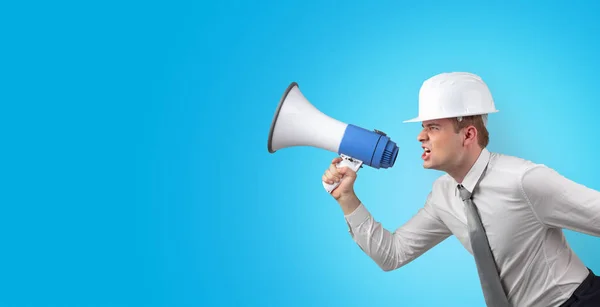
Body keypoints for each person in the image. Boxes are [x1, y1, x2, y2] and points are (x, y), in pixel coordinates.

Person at [322, 72, 600, 307]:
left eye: (433, 127)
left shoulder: (524, 180)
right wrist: (347, 198)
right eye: (422, 127)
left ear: (468, 134)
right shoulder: (443, 195)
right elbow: (392, 254)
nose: (420, 136)